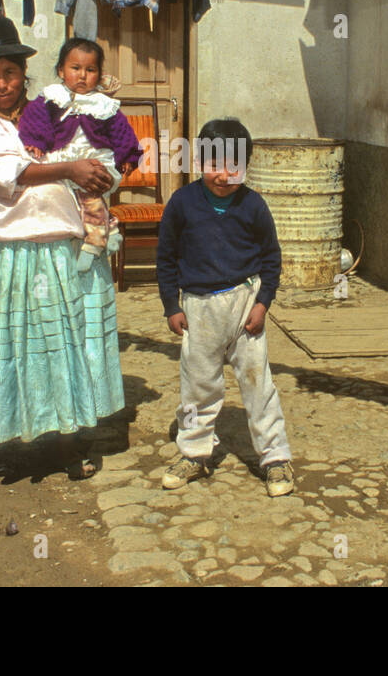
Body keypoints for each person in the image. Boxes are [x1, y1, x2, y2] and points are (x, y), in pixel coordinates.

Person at [0, 17, 125, 487]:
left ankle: (66, 440)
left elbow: (97, 143)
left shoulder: (50, 112)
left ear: (25, 74)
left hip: (59, 251)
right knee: (1, 351)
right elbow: (8, 172)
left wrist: (98, 174)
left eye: (11, 73)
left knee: (58, 351)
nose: (2, 85)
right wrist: (71, 168)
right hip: (5, 257)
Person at [155, 119, 295, 497]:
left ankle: (275, 458)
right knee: (197, 386)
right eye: (215, 164)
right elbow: (166, 258)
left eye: (235, 166)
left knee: (257, 384)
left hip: (244, 303)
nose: (224, 175)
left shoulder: (253, 205)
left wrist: (263, 303)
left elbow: (271, 259)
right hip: (198, 308)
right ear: (199, 161)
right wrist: (172, 305)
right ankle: (194, 453)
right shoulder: (183, 204)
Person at [18, 38, 144, 272]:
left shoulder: (104, 104)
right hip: (63, 158)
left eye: (90, 70)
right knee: (61, 197)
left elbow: (121, 131)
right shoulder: (51, 97)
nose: (83, 75)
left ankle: (95, 241)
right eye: (75, 68)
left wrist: (127, 156)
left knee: (90, 194)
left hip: (95, 157)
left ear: (99, 74)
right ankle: (109, 228)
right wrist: (35, 142)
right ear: (61, 71)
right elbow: (34, 120)